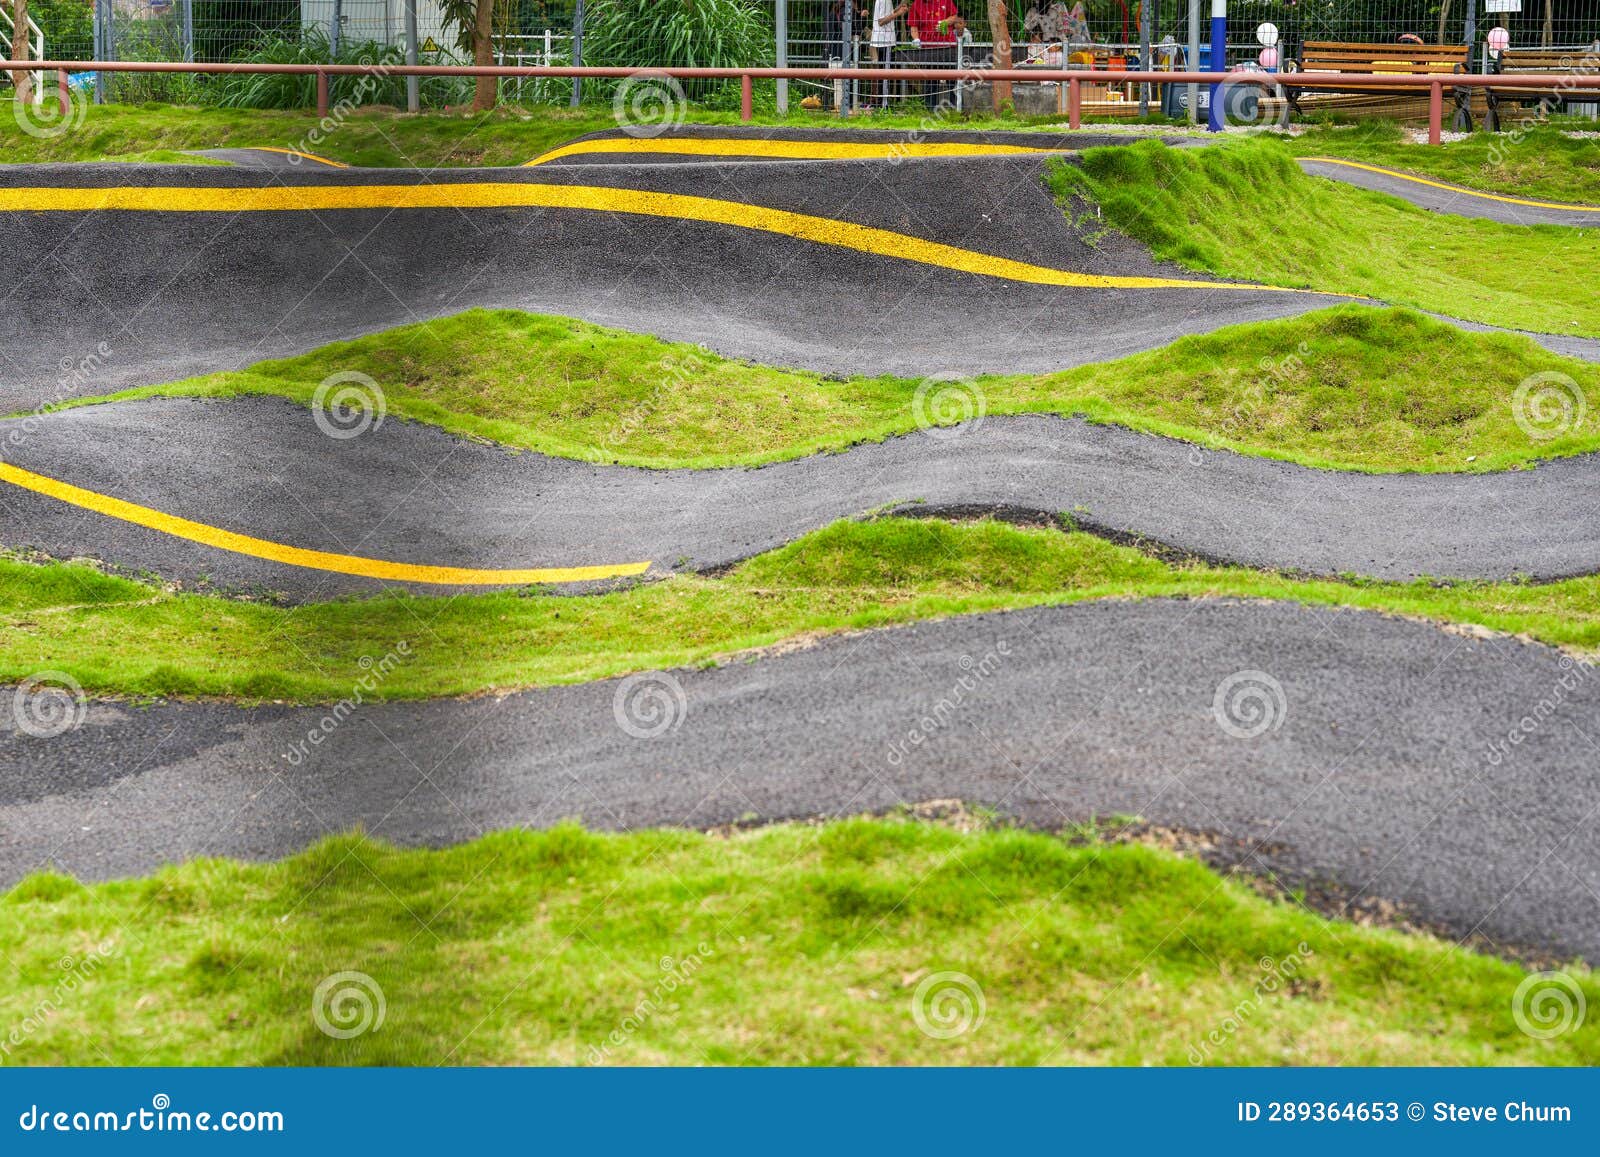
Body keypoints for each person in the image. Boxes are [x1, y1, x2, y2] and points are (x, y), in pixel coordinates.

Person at [906, 0, 961, 107]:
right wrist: (916, 39)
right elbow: (913, 26)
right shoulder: (917, 4)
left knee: (952, 80)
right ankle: (929, 110)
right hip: (928, 49)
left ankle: (955, 109)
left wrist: (945, 22)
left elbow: (954, 16)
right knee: (929, 82)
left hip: (948, 47)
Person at [869, 2, 909, 107]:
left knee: (886, 73)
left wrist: (897, 8)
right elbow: (881, 21)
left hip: (884, 41)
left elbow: (886, 15)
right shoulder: (885, 0)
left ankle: (883, 102)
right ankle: (884, 104)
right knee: (886, 74)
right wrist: (898, 13)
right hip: (885, 41)